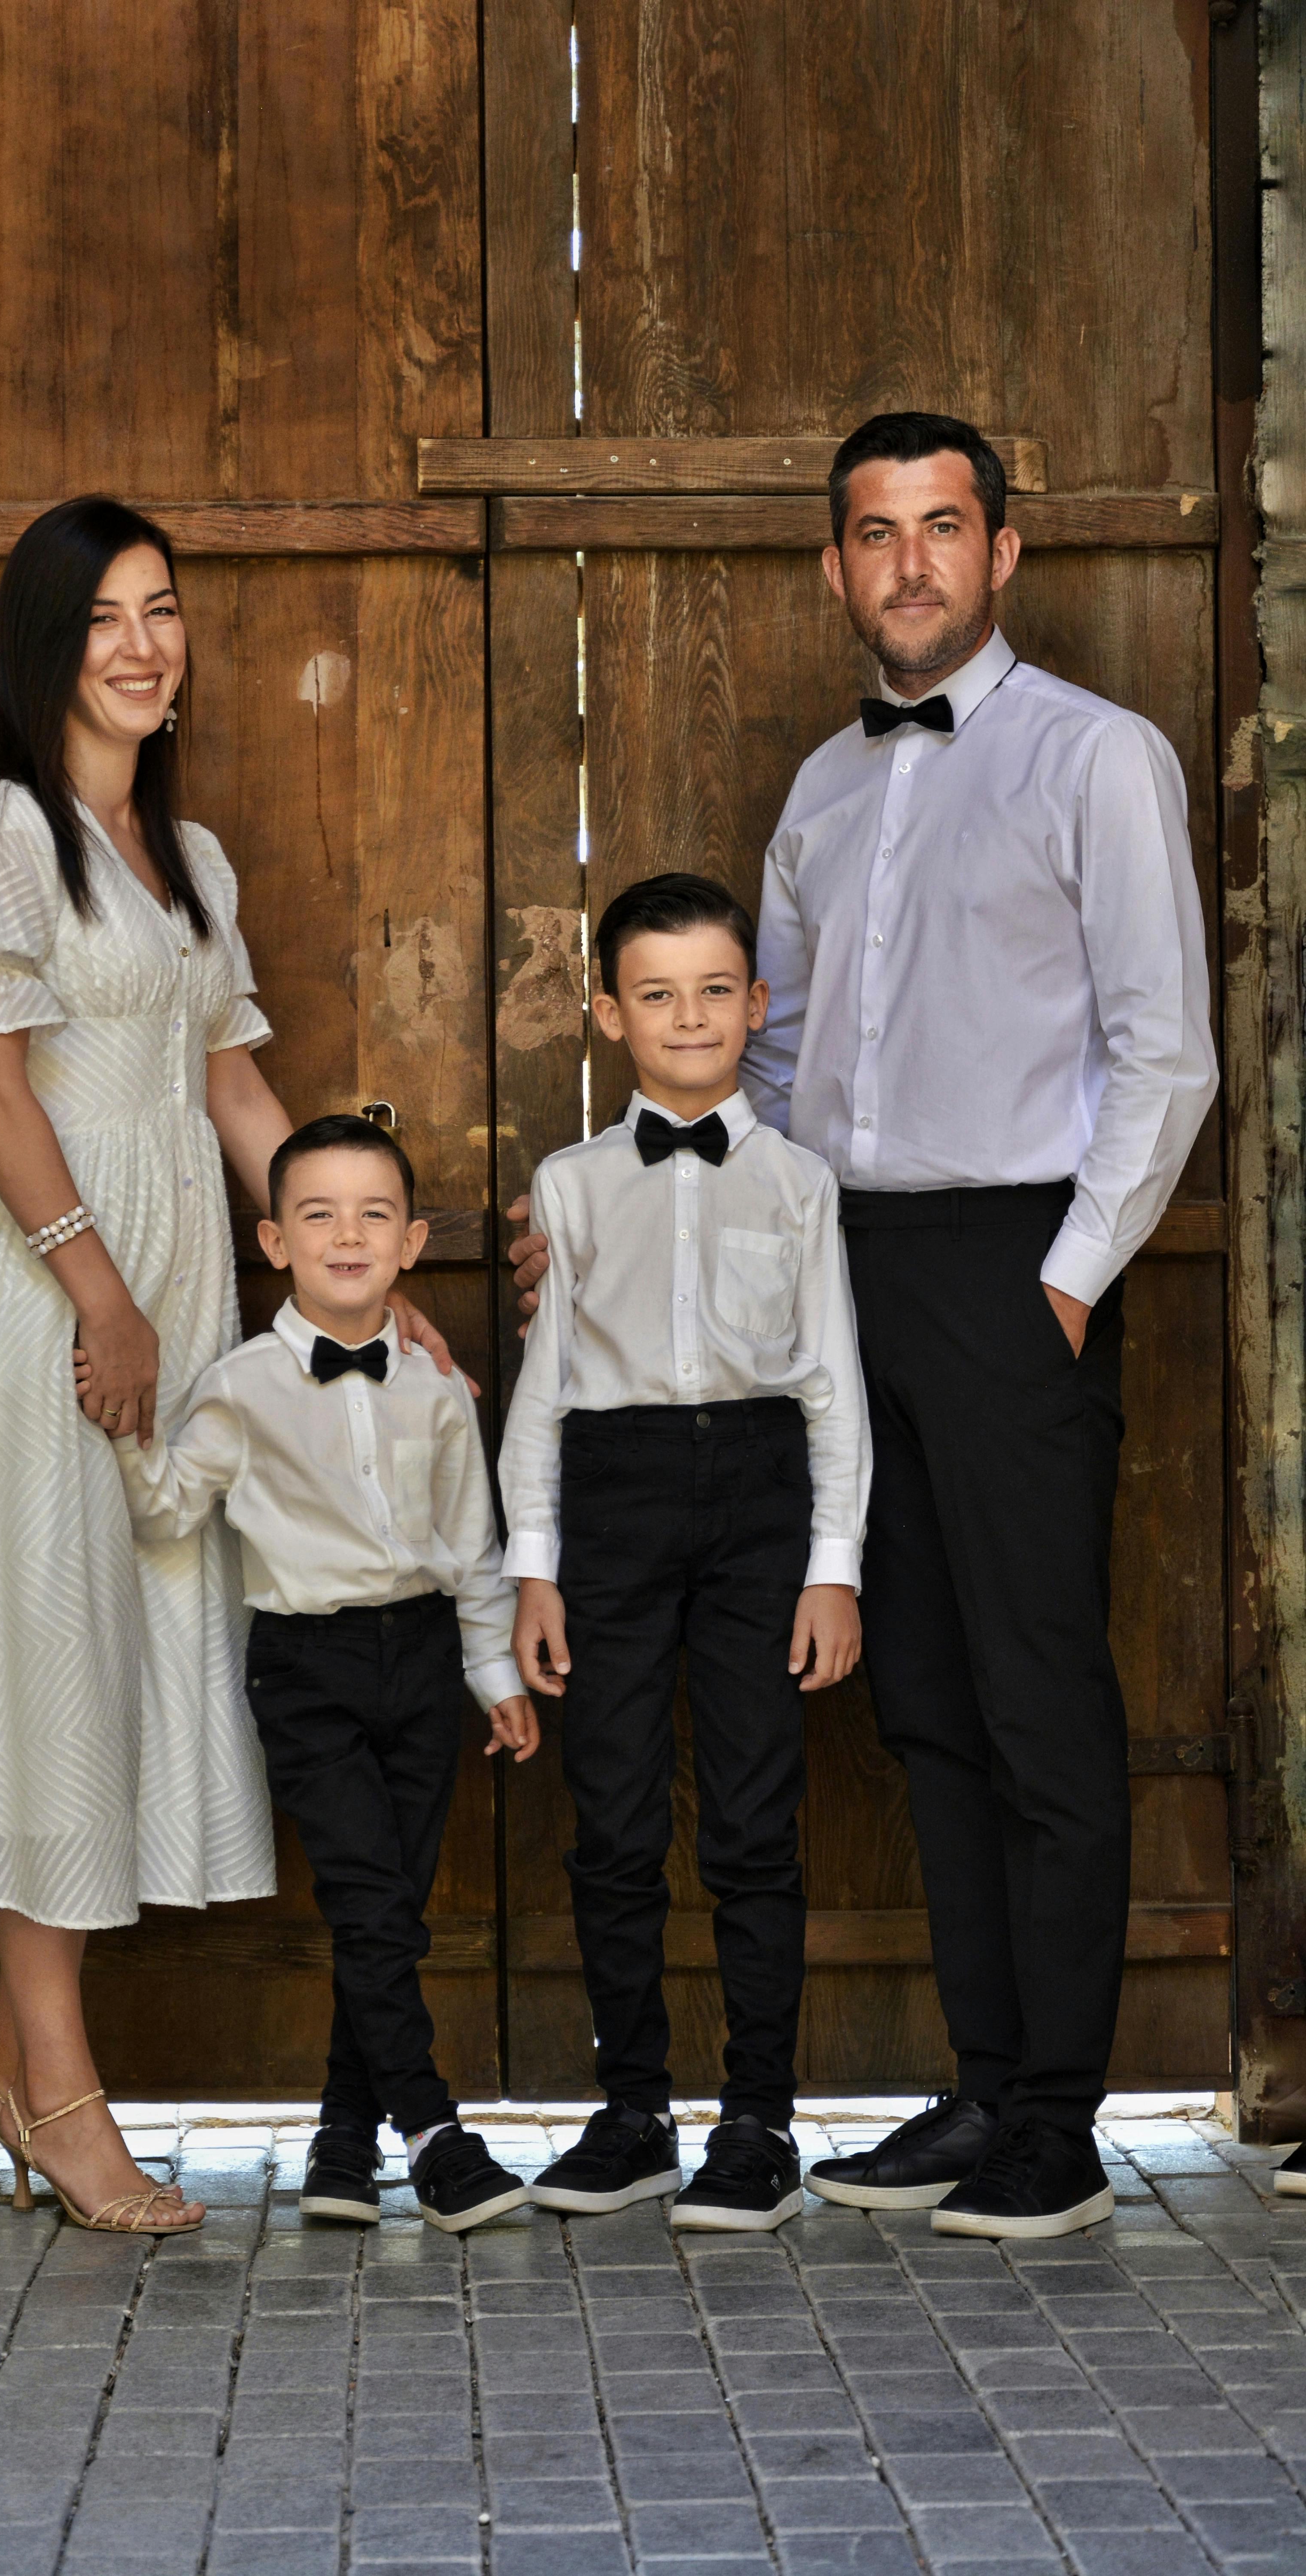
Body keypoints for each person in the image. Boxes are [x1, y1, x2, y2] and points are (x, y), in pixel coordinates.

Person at [517, 413, 1218, 2238]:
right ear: (832, 567)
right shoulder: (819, 792)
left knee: (1037, 1696)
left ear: (1002, 551)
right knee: (917, 1701)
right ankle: (983, 2087)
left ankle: (1057, 2124)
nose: (906, 562)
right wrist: (610, 1208)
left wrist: (1060, 1286)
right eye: (871, 533)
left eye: (940, 527)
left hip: (1015, 1272)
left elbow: (1164, 1052)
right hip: (838, 1270)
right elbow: (760, 1056)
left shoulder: (1097, 757)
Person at [0, 498, 458, 2236]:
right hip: (54, 1306)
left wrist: (356, 1277)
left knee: (95, 1672)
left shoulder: (188, 866)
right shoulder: (4, 830)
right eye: (104, 616)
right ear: (45, 647)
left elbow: (238, 1096)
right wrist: (98, 1296)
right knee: (46, 1673)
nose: (141, 644)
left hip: (174, 1308)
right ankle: (58, 2094)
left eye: (163, 611)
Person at [501, 875, 869, 2231]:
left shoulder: (799, 1183)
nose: (688, 1017)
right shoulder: (570, 1184)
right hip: (611, 1500)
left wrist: (832, 1565)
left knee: (753, 1818)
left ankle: (758, 2121)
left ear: (755, 1005)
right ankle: (633, 2113)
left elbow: (830, 1382)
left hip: (761, 1500)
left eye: (716, 990)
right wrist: (531, 1565)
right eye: (654, 995)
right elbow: (540, 1394)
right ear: (608, 1015)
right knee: (608, 1817)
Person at [105, 1113, 539, 2233]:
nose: (347, 1234)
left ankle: (343, 2140)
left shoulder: (439, 1389)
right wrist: (119, 1432)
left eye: (373, 1214)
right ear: (273, 1241)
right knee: (370, 1903)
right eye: (318, 1215)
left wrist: (493, 1676)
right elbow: (166, 1515)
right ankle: (436, 2134)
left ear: (410, 1244)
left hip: (423, 1656)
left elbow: (469, 1545)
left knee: (386, 1907)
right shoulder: (239, 1387)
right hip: (306, 1666)